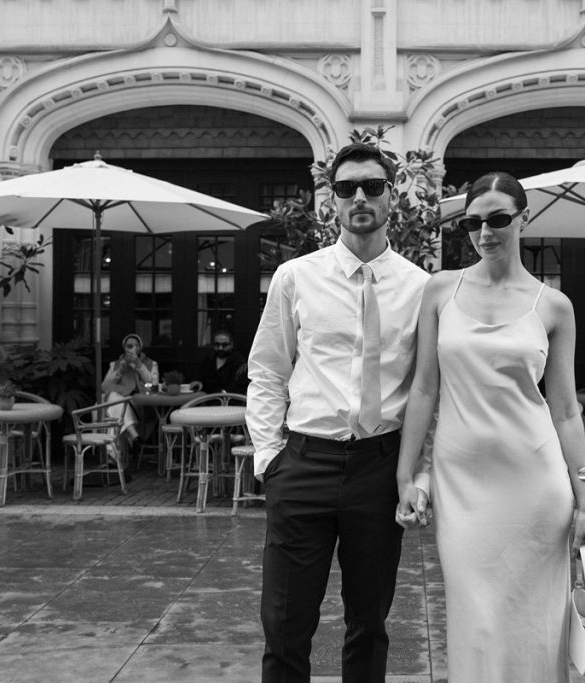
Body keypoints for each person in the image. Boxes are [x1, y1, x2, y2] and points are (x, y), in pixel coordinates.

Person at [394, 171, 585, 682]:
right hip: (461, 487)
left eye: (499, 219)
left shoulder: (553, 306)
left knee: (535, 623)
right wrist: (405, 476)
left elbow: (566, 410)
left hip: (536, 486)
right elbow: (423, 388)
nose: (486, 232)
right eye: (473, 222)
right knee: (475, 618)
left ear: (523, 219)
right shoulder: (441, 290)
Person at [246, 142, 430, 682]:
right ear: (331, 200)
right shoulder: (296, 277)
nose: (359, 198)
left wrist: (417, 472)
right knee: (284, 625)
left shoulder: (422, 288)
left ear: (392, 197)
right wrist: (268, 458)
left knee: (369, 625)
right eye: (347, 188)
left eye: (372, 186)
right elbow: (268, 370)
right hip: (303, 465)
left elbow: (427, 389)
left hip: (380, 467)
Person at [101, 332, 159, 458]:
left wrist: (139, 365)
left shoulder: (151, 364)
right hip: (120, 405)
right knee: (115, 401)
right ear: (124, 348)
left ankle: (113, 458)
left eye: (135, 345)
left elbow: (153, 385)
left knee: (114, 410)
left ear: (140, 348)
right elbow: (105, 387)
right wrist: (119, 371)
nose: (132, 348)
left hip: (139, 405)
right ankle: (134, 436)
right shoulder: (115, 364)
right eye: (129, 346)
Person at [196, 328, 247, 394]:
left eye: (224, 345)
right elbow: (200, 378)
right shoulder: (208, 359)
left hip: (229, 398)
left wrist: (223, 393)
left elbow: (238, 385)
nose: (220, 348)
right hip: (206, 398)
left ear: (231, 345)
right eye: (217, 345)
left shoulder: (238, 361)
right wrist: (198, 383)